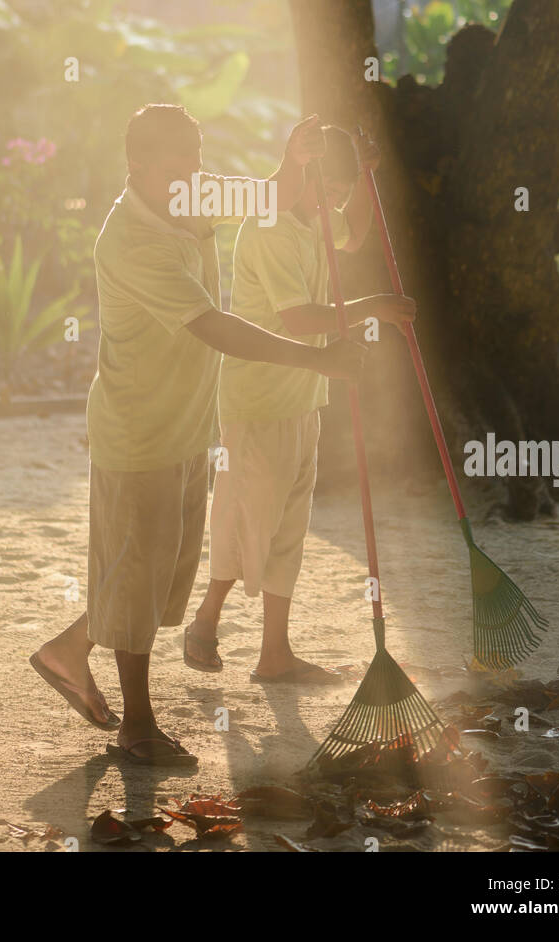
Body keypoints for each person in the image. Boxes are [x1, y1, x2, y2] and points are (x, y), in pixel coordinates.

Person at [30, 105, 367, 766]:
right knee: (139, 575)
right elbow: (213, 325)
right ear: (136, 168)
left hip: (188, 422)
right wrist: (315, 357)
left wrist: (291, 161)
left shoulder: (193, 192)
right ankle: (137, 725)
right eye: (173, 168)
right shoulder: (130, 238)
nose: (189, 179)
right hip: (138, 428)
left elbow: (266, 198)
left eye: (195, 164)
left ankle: (68, 651)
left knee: (150, 572)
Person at [184, 127, 416, 684]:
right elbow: (299, 318)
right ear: (307, 174)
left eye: (338, 192)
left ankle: (274, 656)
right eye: (327, 190)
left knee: (288, 528)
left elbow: (357, 236)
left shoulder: (316, 219)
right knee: (247, 522)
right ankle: (204, 622)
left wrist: (365, 176)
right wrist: (374, 307)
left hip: (306, 395)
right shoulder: (268, 227)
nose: (332, 203)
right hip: (258, 398)